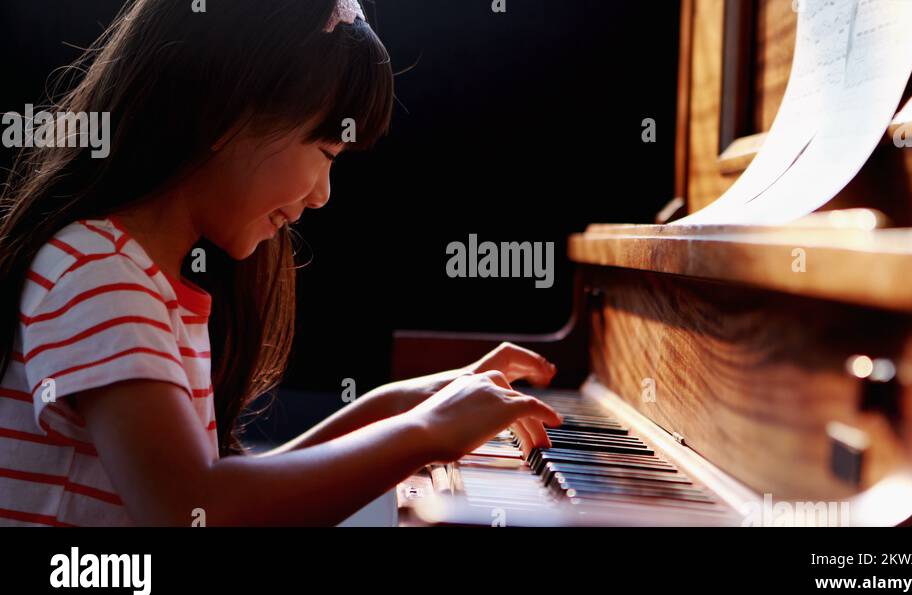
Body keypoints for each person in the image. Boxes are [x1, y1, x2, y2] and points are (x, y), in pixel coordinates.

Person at [0, 0, 560, 526]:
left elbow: (229, 489)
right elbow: (193, 508)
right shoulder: (96, 271)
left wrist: (398, 408)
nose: (323, 194)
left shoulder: (132, 274)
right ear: (223, 112)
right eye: (325, 153)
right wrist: (423, 432)